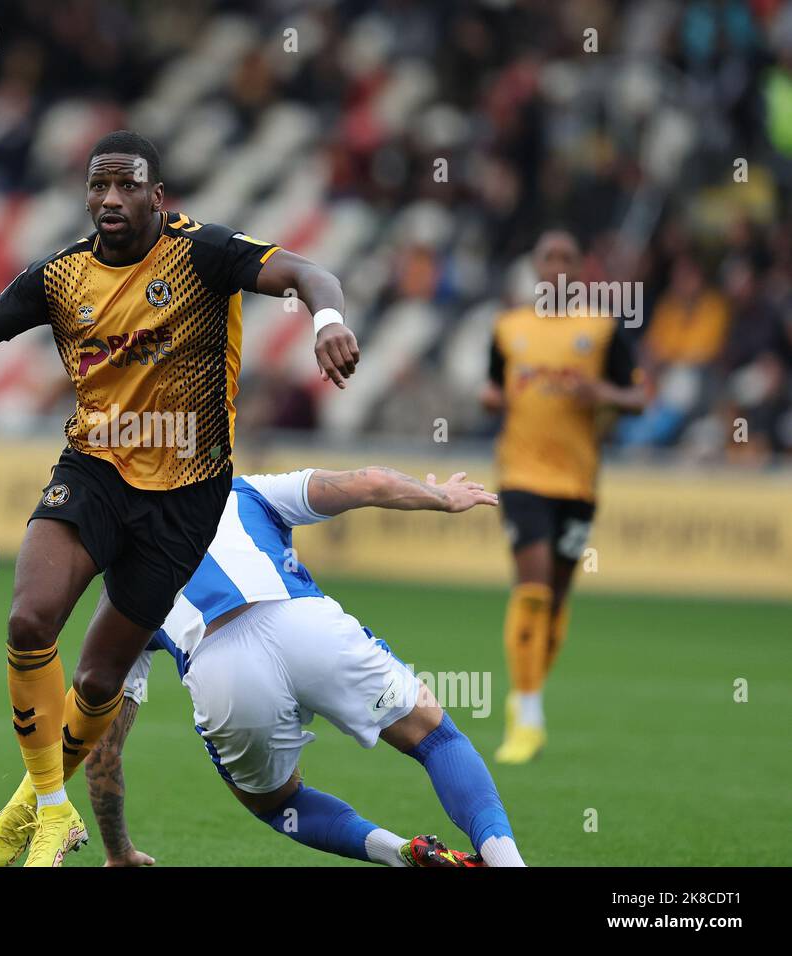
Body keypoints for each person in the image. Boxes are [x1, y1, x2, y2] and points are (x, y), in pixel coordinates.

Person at [0, 130, 361, 865]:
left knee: (99, 678)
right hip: (94, 469)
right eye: (98, 186)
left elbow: (309, 271)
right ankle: (56, 810)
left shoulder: (203, 254)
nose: (109, 199)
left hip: (187, 494)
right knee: (31, 618)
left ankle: (26, 808)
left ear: (157, 198)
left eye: (126, 186)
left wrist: (328, 319)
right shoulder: (63, 275)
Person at [78, 466, 525, 867]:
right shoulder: (243, 492)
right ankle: (508, 862)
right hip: (306, 627)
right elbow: (367, 483)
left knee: (278, 805)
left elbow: (103, 751)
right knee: (435, 737)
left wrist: (118, 852)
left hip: (224, 674)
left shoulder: (120, 593)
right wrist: (442, 496)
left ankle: (400, 854)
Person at [481, 230, 646, 763]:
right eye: (547, 257)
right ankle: (526, 712)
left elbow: (641, 395)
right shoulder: (509, 328)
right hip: (521, 476)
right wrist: (491, 398)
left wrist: (603, 394)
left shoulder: (600, 328)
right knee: (531, 586)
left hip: (578, 482)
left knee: (556, 595)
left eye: (566, 259)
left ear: (579, 270)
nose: (556, 267)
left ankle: (529, 695)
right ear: (534, 266)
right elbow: (493, 388)